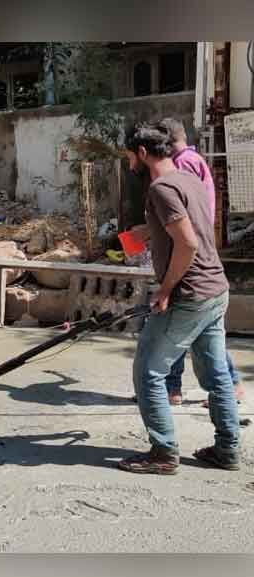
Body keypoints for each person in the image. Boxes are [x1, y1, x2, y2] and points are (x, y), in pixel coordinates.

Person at [118, 121, 239, 475]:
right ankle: (227, 449)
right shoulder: (190, 179)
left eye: (129, 156)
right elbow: (189, 230)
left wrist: (166, 289)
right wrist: (146, 233)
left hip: (190, 295)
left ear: (142, 152)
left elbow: (188, 243)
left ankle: (163, 452)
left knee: (149, 372)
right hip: (216, 289)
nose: (129, 165)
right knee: (216, 375)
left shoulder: (161, 188)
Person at [159, 117, 243, 407]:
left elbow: (184, 227)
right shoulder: (194, 160)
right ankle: (227, 386)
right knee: (202, 333)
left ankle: (172, 388)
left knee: (176, 327)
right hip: (201, 255)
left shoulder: (180, 167)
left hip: (191, 259)